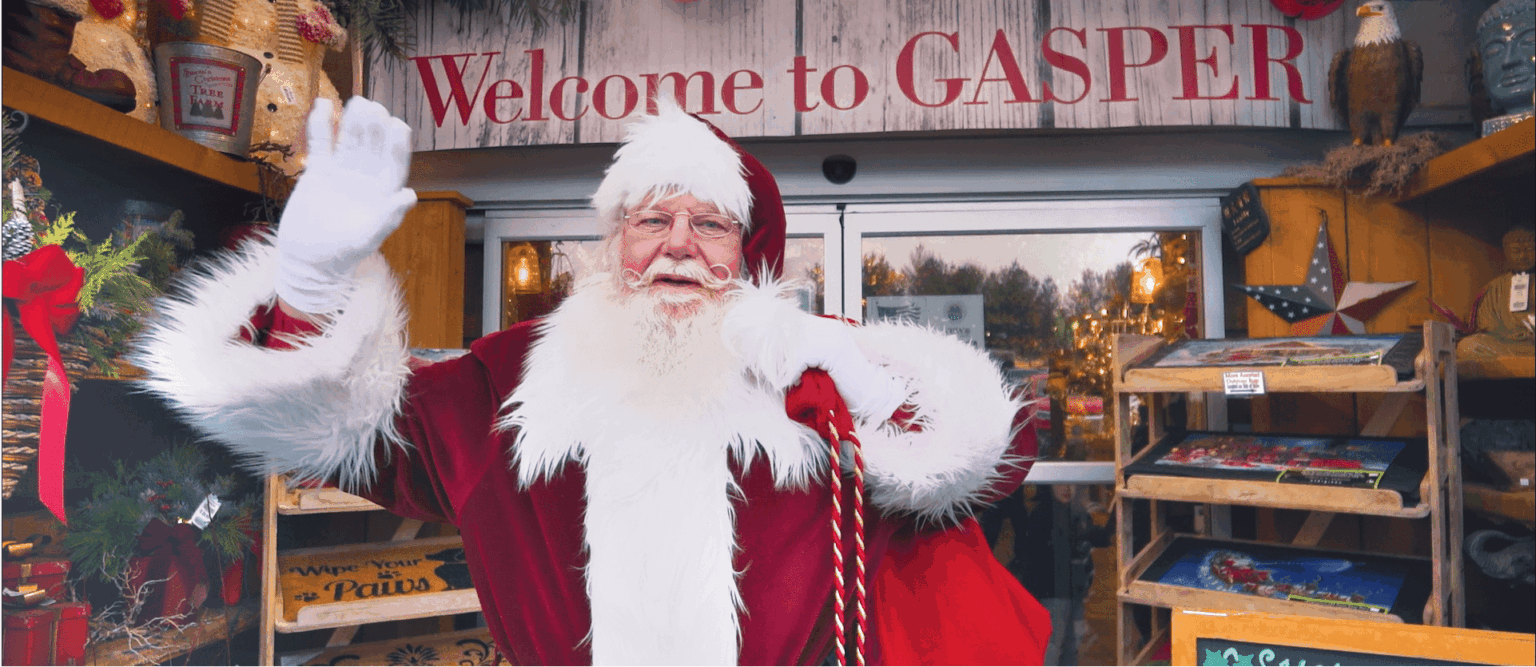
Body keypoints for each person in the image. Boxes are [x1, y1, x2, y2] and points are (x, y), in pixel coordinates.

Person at [130, 97, 1048, 665]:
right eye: (652, 218)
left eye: (710, 224)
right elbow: (340, 432)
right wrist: (309, 286)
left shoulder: (817, 376)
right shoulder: (509, 383)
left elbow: (990, 474)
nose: (678, 243)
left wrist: (885, 392)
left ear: (749, 255)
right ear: (614, 245)